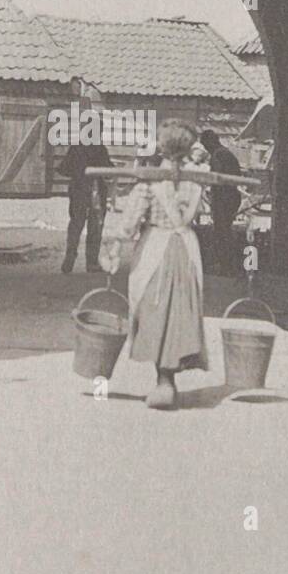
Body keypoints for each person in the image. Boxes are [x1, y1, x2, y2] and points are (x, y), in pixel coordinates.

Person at [121, 119, 208, 410]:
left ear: (161, 145)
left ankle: (163, 382)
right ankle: (170, 377)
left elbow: (129, 224)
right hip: (186, 249)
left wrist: (126, 230)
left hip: (157, 249)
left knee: (154, 310)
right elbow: (200, 213)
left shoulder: (150, 182)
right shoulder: (197, 181)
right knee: (181, 311)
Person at [58, 127, 113, 273]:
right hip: (96, 191)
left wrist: (77, 172)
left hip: (78, 190)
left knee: (76, 224)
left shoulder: (76, 148)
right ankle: (92, 262)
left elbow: (63, 169)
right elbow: (108, 171)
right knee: (95, 226)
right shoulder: (100, 149)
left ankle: (69, 258)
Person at [200, 128, 242, 275]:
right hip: (232, 197)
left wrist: (212, 197)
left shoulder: (217, 155)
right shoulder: (227, 153)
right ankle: (229, 265)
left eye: (206, 145)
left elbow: (217, 178)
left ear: (211, 142)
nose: (206, 149)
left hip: (223, 199)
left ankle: (224, 265)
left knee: (221, 233)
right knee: (226, 231)